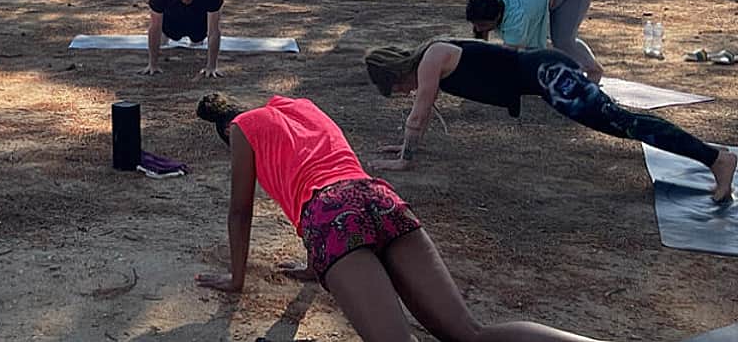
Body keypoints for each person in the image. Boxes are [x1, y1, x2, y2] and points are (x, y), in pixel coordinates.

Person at [194, 93, 611, 342]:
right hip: (376, 197)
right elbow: (318, 171)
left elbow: (240, 211)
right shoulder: (302, 108)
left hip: (331, 216)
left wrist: (236, 278)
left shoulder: (243, 129)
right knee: (469, 332)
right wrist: (312, 265)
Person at [363, 39, 736, 202]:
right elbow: (421, 111)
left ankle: (715, 158)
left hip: (548, 73)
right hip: (545, 74)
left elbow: (422, 108)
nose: (404, 94)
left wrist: (405, 159)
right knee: (620, 121)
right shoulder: (432, 58)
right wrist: (408, 146)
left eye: (397, 90)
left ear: (396, 76)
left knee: (623, 122)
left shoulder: (431, 58)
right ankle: (713, 158)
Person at [466, 0, 604, 81]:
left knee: (563, 40)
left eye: (483, 25)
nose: (478, 28)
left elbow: (510, 56)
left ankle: (594, 70)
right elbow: (481, 36)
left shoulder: (518, 15)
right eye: (475, 23)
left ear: (498, 17)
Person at [142, 0, 224, 78]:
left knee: (197, 44)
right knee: (161, 40)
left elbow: (214, 31)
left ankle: (196, 42)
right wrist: (152, 64)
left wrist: (212, 66)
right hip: (170, 24)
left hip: (198, 25)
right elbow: (155, 28)